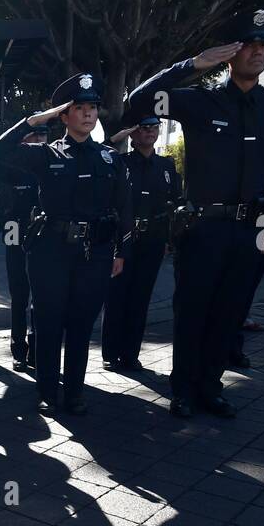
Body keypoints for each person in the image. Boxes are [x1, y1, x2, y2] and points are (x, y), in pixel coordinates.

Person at [123, 7, 264, 419]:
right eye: (248, 45)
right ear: (230, 52)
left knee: (230, 313)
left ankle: (210, 387)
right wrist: (192, 65)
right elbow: (137, 103)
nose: (257, 52)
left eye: (263, 45)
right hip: (205, 227)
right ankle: (181, 389)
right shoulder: (202, 102)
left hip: (251, 229)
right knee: (193, 311)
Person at [0, 72, 131, 415]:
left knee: (82, 326)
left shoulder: (110, 158)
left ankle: (76, 392)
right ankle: (49, 391)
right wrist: (34, 121)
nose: (87, 114)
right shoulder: (45, 155)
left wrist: (122, 252)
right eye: (78, 108)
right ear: (64, 116)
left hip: (94, 253)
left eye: (92, 108)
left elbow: (124, 207)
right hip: (50, 251)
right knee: (49, 323)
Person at [101, 117, 179, 372]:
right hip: (123, 239)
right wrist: (117, 136)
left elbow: (174, 206)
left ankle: (130, 354)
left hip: (153, 240)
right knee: (117, 297)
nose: (149, 132)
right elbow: (99, 152)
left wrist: (170, 240)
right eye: (142, 127)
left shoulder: (167, 166)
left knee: (140, 298)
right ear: (133, 134)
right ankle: (111, 354)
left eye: (153, 127)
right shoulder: (120, 162)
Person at [0, 128, 44, 373]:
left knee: (42, 300)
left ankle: (37, 349)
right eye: (34, 135)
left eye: (42, 135)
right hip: (17, 239)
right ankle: (19, 350)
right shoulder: (10, 168)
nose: (39, 140)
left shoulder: (52, 164)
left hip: (45, 243)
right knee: (19, 297)